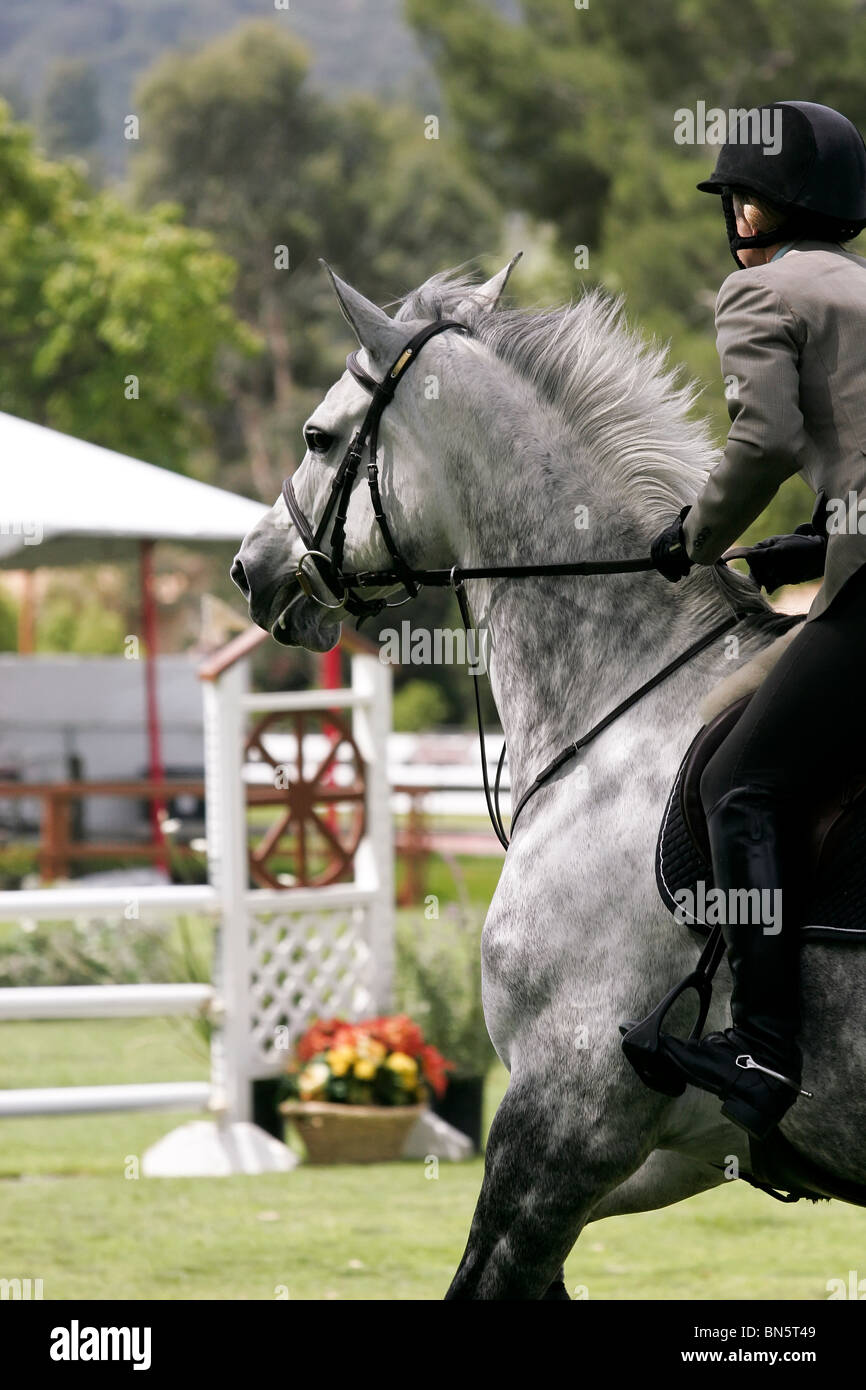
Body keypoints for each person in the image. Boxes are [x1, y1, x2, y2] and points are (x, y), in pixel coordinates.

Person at [642, 101, 866, 1140]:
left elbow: (765, 435)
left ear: (760, 207)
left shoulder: (758, 290)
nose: (732, 212)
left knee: (743, 784)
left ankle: (763, 1042)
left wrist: (696, 532)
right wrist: (805, 543)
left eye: (737, 193)